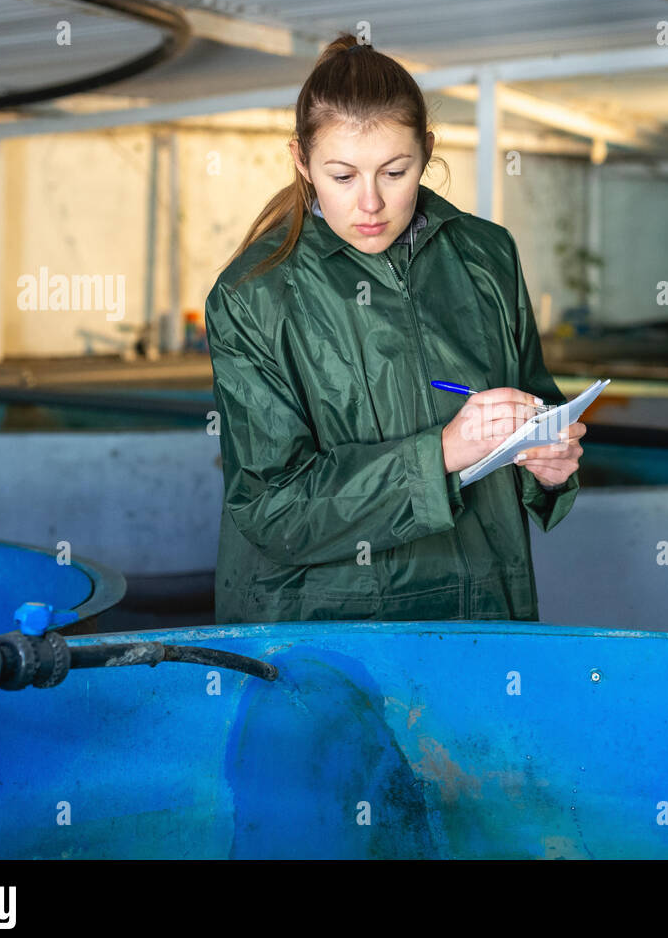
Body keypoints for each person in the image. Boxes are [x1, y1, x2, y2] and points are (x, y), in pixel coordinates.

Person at [205, 33, 586, 624]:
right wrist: (442, 452)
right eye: (341, 176)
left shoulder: (487, 256)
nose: (370, 203)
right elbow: (272, 507)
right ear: (301, 161)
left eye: (395, 171)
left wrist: (548, 458)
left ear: (427, 151)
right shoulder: (253, 295)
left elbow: (535, 397)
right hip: (330, 626)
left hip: (484, 608)